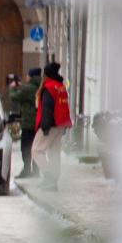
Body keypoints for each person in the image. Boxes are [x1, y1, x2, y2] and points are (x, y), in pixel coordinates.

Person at [32, 62, 72, 191]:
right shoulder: (60, 86)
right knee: (54, 153)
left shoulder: (48, 88)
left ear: (47, 75)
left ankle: (49, 177)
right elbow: (63, 106)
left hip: (50, 124)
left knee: (36, 150)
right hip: (60, 124)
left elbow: (47, 108)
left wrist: (45, 126)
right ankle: (53, 181)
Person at [9, 67, 42, 178]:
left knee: (26, 148)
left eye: (27, 75)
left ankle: (27, 170)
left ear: (31, 76)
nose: (26, 77)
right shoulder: (41, 86)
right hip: (39, 123)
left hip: (29, 123)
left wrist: (12, 88)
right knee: (36, 148)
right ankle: (36, 171)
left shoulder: (29, 88)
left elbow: (15, 97)